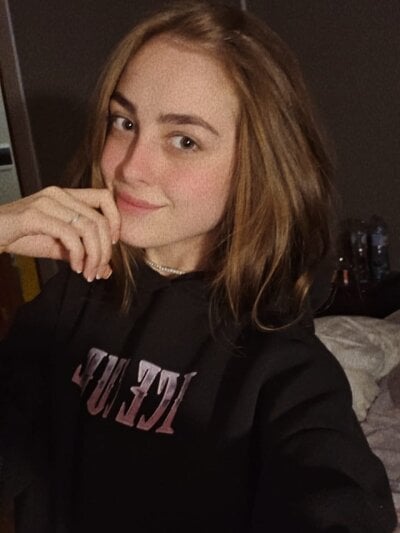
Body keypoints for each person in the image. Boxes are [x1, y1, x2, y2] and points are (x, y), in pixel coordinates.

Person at [0, 1, 396, 532]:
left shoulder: (280, 368)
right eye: (124, 122)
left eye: (184, 140)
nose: (130, 167)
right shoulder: (69, 302)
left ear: (255, 165)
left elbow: (331, 494)